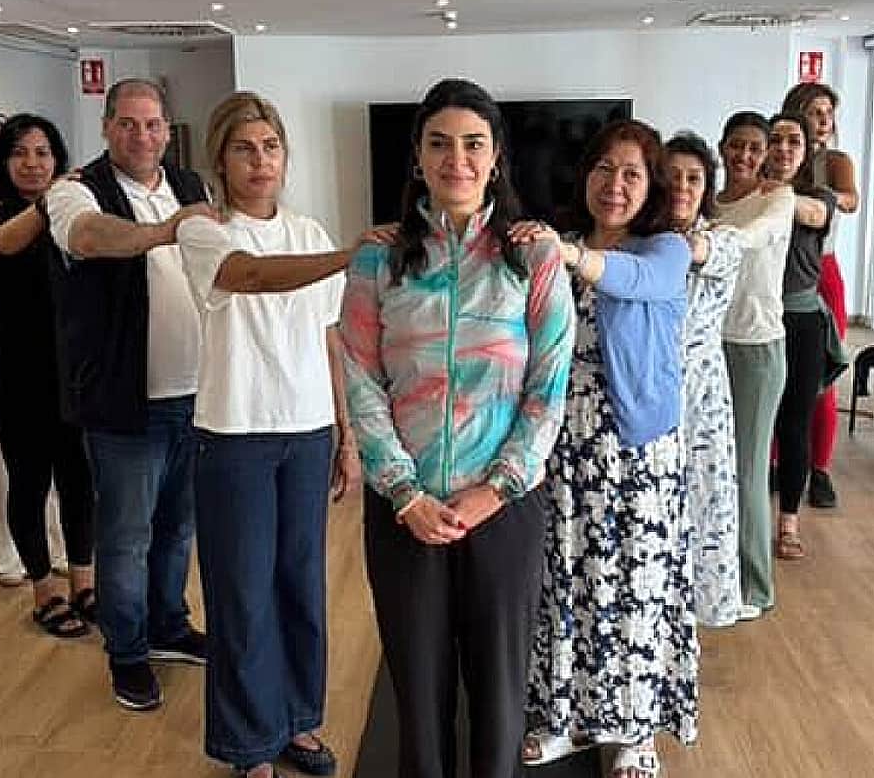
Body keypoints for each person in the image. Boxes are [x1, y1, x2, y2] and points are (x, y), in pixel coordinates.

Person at [341, 78, 574, 778]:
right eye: (439, 143)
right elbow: (362, 381)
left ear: (496, 155)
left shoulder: (533, 256)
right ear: (417, 156)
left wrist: (496, 489)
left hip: (502, 507)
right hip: (403, 509)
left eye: (473, 144)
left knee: (500, 699)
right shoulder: (377, 259)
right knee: (417, 694)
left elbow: (548, 388)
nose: (457, 159)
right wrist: (405, 493)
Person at [177, 92, 362, 778]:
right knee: (243, 594)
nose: (261, 160)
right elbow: (248, 278)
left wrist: (345, 433)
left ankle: (297, 720)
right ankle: (248, 743)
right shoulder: (204, 230)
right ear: (220, 160)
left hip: (307, 431)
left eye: (271, 146)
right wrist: (350, 254)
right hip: (235, 436)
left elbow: (328, 336)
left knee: (300, 586)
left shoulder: (309, 231)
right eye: (244, 148)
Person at [523, 119, 695, 778]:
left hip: (636, 450)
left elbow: (628, 280)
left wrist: (568, 256)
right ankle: (564, 719)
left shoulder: (667, 249)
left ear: (650, 186)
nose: (614, 184)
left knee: (634, 588)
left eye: (631, 173)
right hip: (560, 444)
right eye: (603, 168)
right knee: (565, 582)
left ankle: (633, 732)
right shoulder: (557, 246)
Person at [46, 79, 215, 709]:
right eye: (126, 123)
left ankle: (169, 627)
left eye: (151, 125)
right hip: (126, 404)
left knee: (178, 528)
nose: (140, 136)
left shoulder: (192, 185)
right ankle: (127, 651)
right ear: (106, 126)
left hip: (197, 396)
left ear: (168, 129)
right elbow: (89, 238)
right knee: (125, 536)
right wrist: (170, 230)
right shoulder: (74, 191)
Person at [0, 113, 96, 638]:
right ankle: (45, 592)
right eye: (20, 152)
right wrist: (56, 199)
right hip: (18, 377)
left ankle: (85, 583)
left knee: (80, 482)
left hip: (75, 373)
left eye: (43, 152)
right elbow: (3, 243)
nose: (32, 162)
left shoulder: (74, 211)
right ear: (3, 162)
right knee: (29, 483)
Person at [665, 131, 753, 627]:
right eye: (671, 176)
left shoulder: (724, 240)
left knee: (702, 495)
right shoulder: (637, 238)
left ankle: (697, 607)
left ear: (707, 187)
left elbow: (695, 251)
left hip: (700, 389)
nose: (681, 186)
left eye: (693, 178)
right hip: (649, 386)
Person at [711, 112, 796, 615]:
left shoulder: (776, 200)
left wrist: (704, 240)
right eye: (736, 145)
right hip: (706, 345)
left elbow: (755, 236)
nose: (744, 155)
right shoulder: (710, 202)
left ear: (764, 155)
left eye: (754, 148)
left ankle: (755, 587)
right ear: (723, 147)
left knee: (747, 467)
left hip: (756, 347)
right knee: (713, 467)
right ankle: (718, 574)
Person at [763, 112, 844, 560]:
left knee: (794, 423)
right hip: (752, 319)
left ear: (806, 149)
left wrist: (773, 195)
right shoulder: (742, 194)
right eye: (774, 140)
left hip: (800, 321)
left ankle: (788, 524)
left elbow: (812, 214)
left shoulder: (818, 198)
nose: (783, 148)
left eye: (793, 140)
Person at [779, 82, 861, 508]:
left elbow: (851, 200)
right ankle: (780, 461)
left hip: (820, 271)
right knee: (777, 374)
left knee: (819, 376)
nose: (825, 119)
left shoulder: (834, 162)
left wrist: (819, 199)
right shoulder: (779, 156)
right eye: (815, 111)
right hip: (777, 271)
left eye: (829, 111)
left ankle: (820, 468)